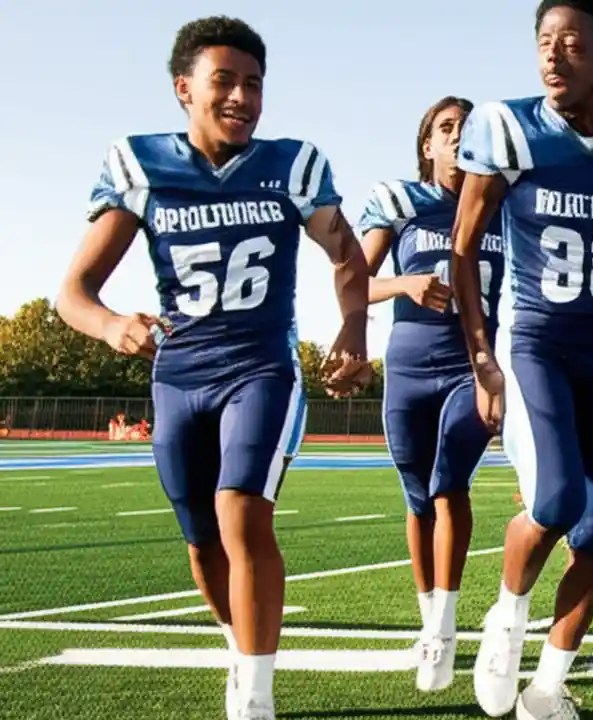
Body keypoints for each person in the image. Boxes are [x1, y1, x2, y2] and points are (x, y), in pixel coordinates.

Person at [54, 16, 371, 720]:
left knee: (243, 513)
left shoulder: (292, 165)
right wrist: (112, 325)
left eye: (253, 84)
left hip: (260, 365)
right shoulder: (142, 165)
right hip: (178, 372)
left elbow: (346, 252)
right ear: (184, 88)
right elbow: (73, 292)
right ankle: (240, 647)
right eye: (224, 80)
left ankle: (255, 698)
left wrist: (352, 327)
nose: (241, 97)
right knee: (201, 541)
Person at [448, 2, 593, 718]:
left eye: (572, 44)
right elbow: (461, 250)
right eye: (545, 42)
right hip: (534, 340)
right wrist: (481, 356)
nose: (553, 56)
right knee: (554, 500)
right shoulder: (507, 127)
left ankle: (547, 687)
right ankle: (505, 621)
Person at [355, 95, 501, 693]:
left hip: (473, 365)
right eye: (448, 129)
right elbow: (354, 282)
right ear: (428, 146)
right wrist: (405, 282)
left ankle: (444, 627)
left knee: (448, 483)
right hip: (410, 367)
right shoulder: (402, 201)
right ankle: (428, 622)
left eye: (469, 131)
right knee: (417, 496)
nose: (458, 138)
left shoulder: (502, 203)